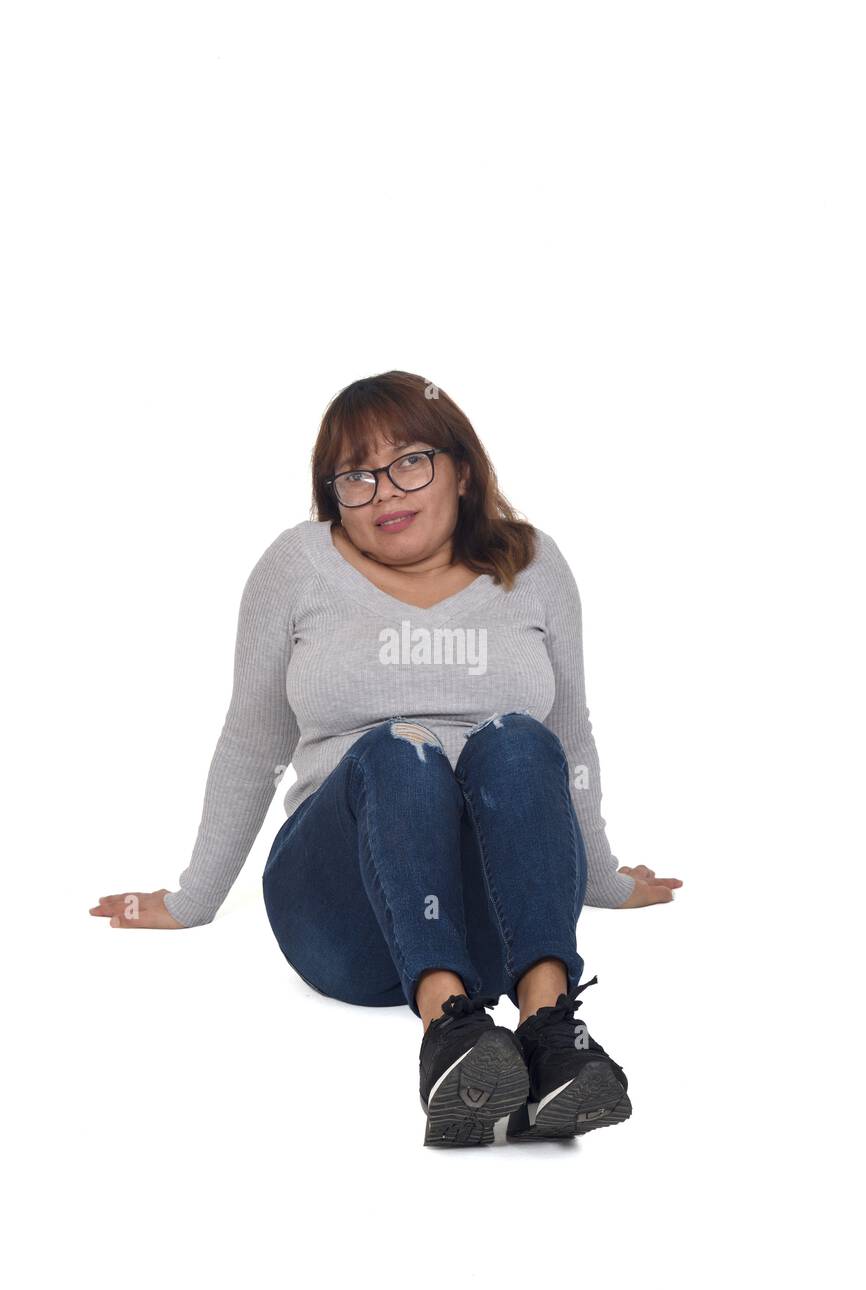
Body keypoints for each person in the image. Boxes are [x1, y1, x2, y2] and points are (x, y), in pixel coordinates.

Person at [91, 370, 682, 1147]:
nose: (383, 493)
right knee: (403, 747)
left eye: (410, 461)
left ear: (462, 470)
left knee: (518, 737)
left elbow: (569, 739)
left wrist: (600, 878)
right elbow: (253, 737)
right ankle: (450, 1030)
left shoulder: (532, 566)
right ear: (332, 494)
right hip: (342, 911)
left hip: (494, 922)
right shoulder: (297, 567)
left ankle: (548, 1029)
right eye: (356, 476)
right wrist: (192, 898)